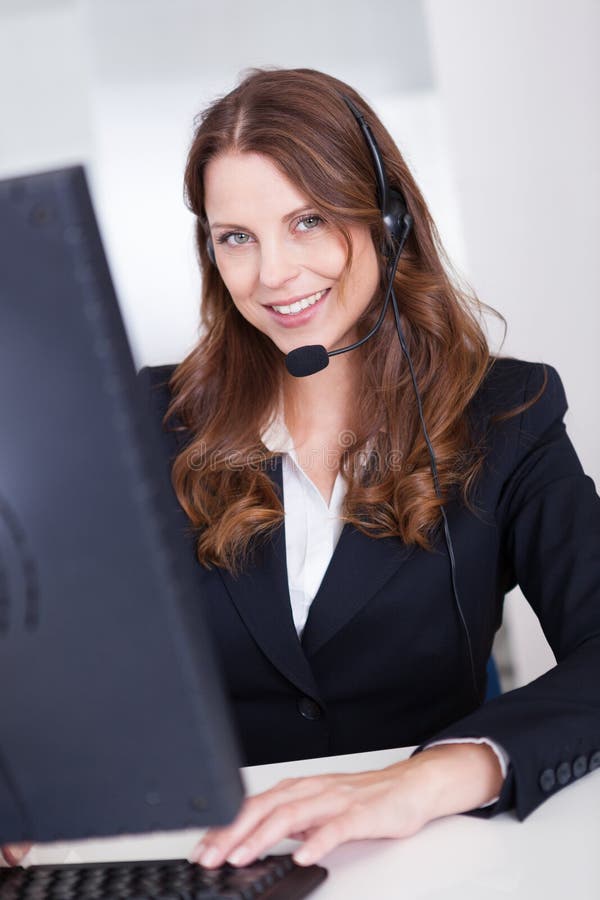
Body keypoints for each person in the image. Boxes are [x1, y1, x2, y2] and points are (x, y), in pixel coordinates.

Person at [4, 66, 600, 870]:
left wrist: (426, 779)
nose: (274, 274)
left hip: (425, 856)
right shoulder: (142, 419)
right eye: (236, 238)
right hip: (203, 859)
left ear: (386, 221)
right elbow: (45, 653)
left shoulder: (507, 413)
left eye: (308, 220)